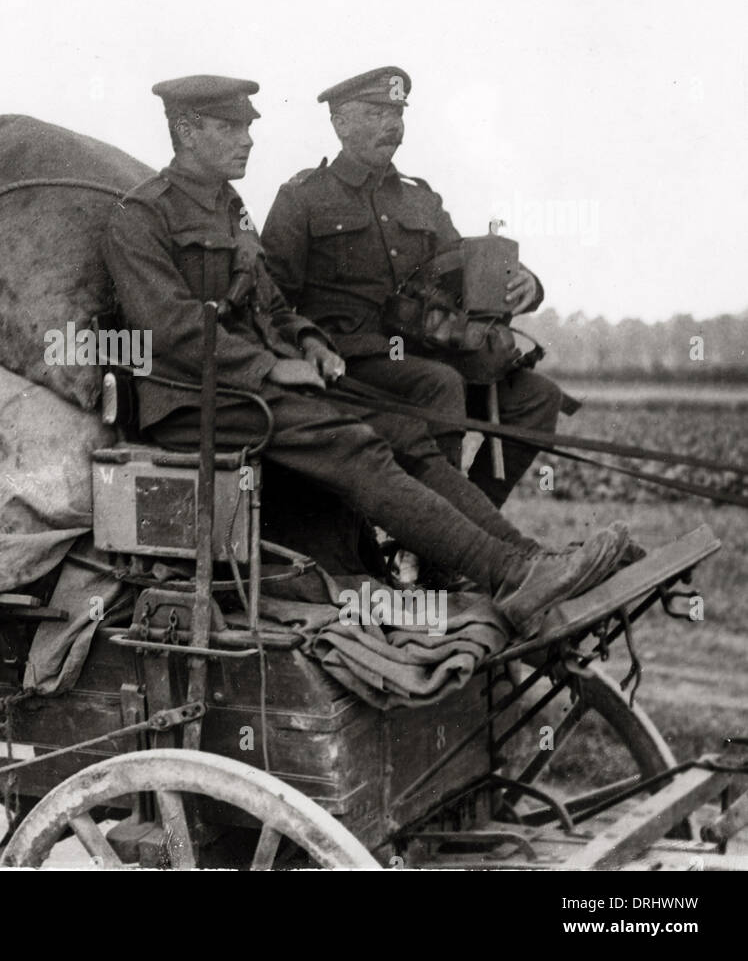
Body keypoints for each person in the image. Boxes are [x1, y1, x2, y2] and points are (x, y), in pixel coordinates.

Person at [103, 74, 627, 639]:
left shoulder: (232, 210)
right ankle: (509, 572)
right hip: (194, 402)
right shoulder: (142, 217)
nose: (248, 139)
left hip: (250, 388)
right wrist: (270, 366)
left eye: (248, 126)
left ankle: (531, 561)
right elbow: (173, 329)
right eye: (232, 127)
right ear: (186, 130)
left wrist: (308, 342)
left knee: (403, 431)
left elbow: (273, 303)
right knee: (357, 444)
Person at [261, 67, 562, 507]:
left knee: (538, 398)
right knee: (439, 383)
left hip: (425, 354)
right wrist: (305, 349)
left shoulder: (421, 199)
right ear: (339, 124)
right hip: (350, 364)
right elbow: (271, 299)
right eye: (375, 113)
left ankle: (470, 521)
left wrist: (526, 285)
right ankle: (449, 549)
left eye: (397, 113)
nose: (391, 125)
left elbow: (465, 271)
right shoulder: (303, 198)